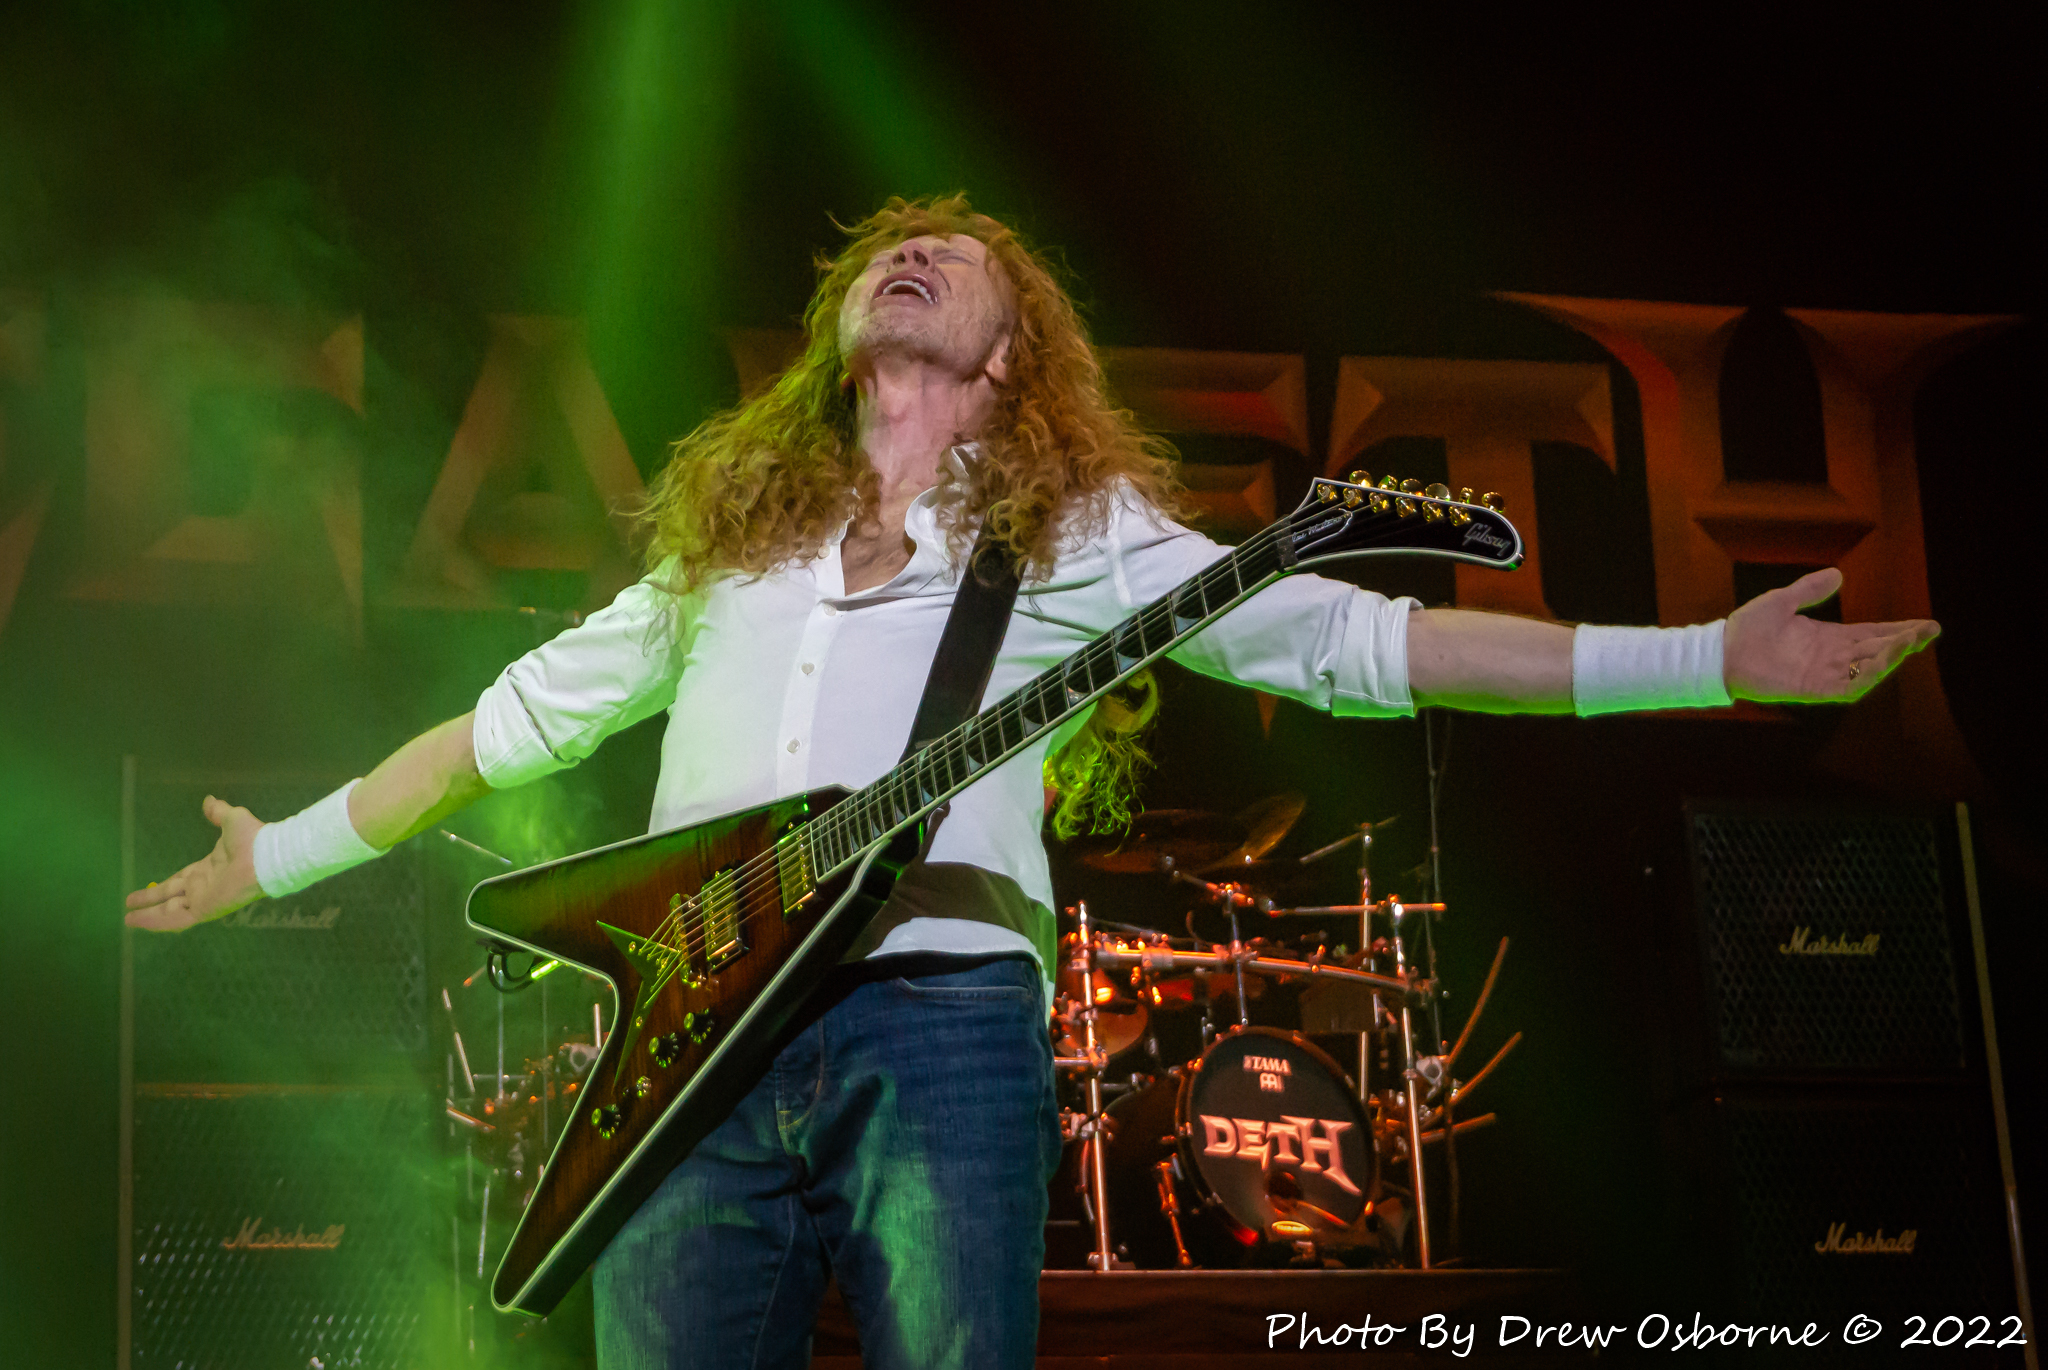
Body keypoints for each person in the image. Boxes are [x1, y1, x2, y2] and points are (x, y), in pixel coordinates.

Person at [123, 194, 1939, 1369]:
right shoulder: (721, 556)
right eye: (887, 246)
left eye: (955, 253)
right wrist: (273, 856)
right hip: (686, 1058)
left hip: (937, 1019)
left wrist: (1702, 660)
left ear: (1003, 365)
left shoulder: (1072, 539)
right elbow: (499, 729)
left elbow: (1359, 644)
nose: (911, 247)